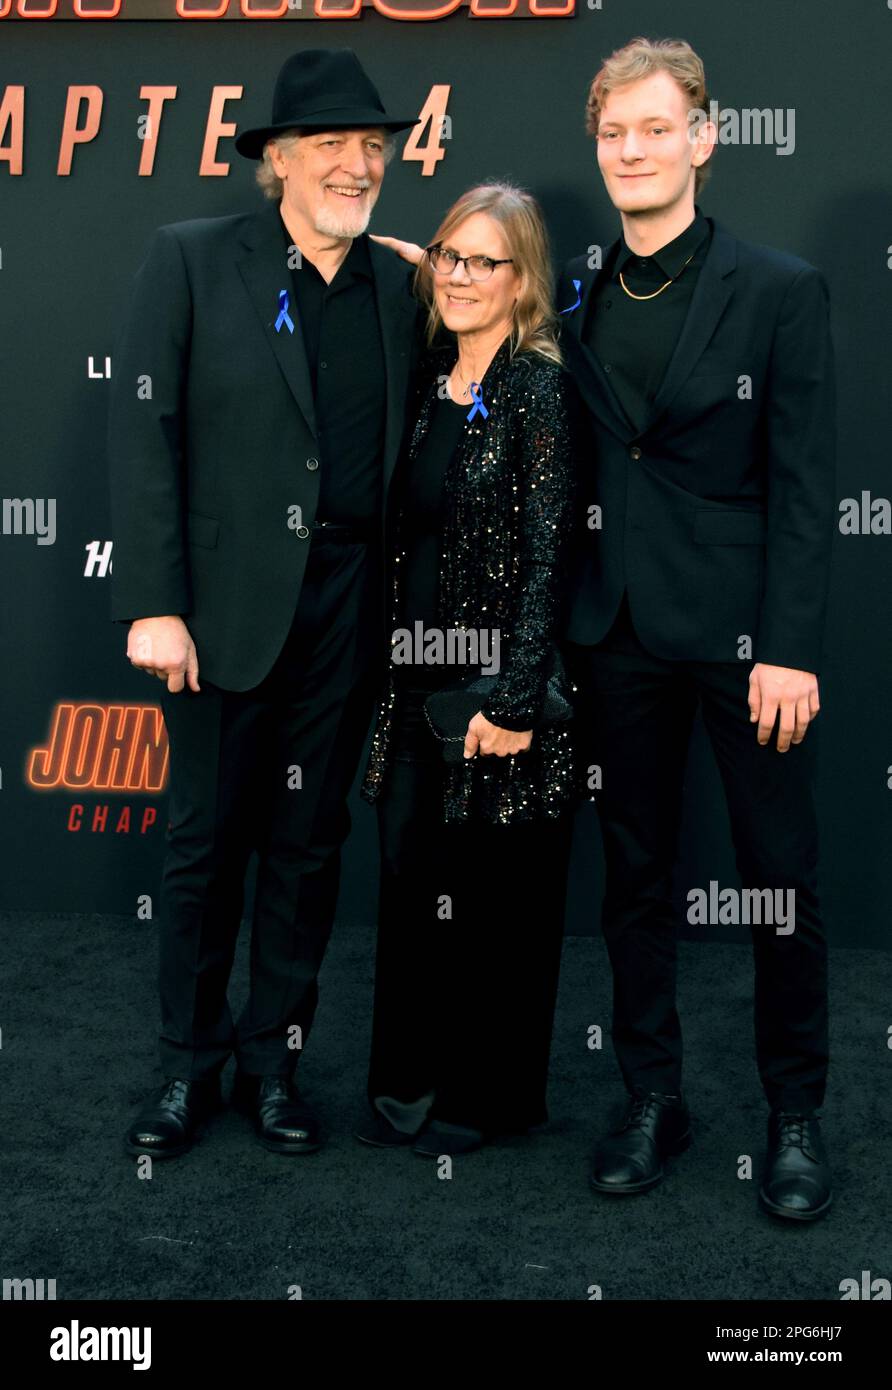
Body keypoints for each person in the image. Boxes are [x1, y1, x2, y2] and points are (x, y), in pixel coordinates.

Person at [108, 49, 421, 1159]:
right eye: (329, 144)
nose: (354, 164)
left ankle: (272, 1066)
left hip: (350, 601)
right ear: (276, 159)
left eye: (370, 148)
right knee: (205, 844)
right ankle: (186, 1070)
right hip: (222, 604)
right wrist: (155, 602)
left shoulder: (402, 284)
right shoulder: (190, 261)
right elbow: (145, 432)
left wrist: (442, 269)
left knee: (307, 843)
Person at [557, 37, 835, 1220]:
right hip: (615, 632)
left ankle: (794, 1116)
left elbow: (806, 486)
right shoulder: (578, 292)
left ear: (703, 140)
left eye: (655, 129)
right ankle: (653, 1096)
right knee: (634, 877)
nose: (632, 151)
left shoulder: (777, 290)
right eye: (614, 133)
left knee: (777, 881)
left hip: (741, 644)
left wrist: (790, 645)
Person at [356, 184, 579, 1157]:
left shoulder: (537, 386)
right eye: (448, 256)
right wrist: (419, 258)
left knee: (495, 898)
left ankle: (485, 1093)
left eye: (483, 261)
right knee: (409, 878)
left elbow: (548, 553)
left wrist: (518, 696)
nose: (458, 275)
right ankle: (405, 1082)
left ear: (523, 278)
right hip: (411, 679)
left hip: (492, 689)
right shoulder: (427, 375)